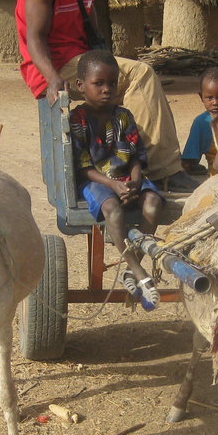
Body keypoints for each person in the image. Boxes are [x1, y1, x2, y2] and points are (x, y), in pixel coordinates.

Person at [15, 0, 196, 192]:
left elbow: (92, 23)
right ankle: (163, 170)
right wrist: (52, 78)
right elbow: (34, 38)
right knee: (141, 73)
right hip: (53, 66)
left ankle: (133, 161)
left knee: (142, 85)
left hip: (82, 59)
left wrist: (105, 57)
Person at [69, 50, 163, 310]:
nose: (107, 89)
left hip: (127, 179)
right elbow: (83, 167)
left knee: (153, 202)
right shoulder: (78, 120)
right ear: (81, 86)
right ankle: (138, 271)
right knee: (112, 209)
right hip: (96, 181)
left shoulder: (124, 116)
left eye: (112, 83)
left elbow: (135, 157)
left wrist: (134, 182)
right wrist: (112, 185)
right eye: (98, 83)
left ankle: (134, 270)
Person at [180, 67, 218, 176]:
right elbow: (188, 162)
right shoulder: (202, 123)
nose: (215, 102)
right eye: (209, 98)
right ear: (201, 97)